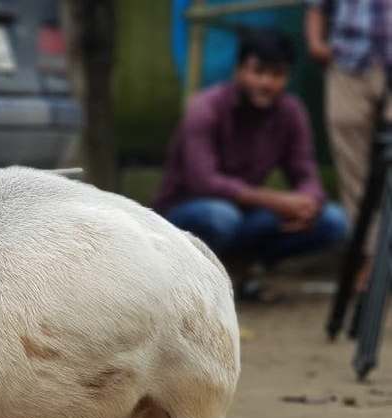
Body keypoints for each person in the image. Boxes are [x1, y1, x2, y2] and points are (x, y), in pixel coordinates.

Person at [154, 28, 348, 292]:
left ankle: (242, 266)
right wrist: (277, 201)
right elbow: (204, 182)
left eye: (277, 74)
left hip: (246, 217)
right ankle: (194, 280)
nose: (267, 83)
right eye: (258, 72)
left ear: (287, 77)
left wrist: (307, 203)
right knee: (221, 217)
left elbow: (306, 174)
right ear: (239, 71)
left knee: (332, 221)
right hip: (184, 213)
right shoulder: (205, 107)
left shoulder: (291, 112)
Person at [305, 0, 391, 291]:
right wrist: (316, 43)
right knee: (353, 169)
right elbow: (316, 4)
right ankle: (370, 260)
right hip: (349, 62)